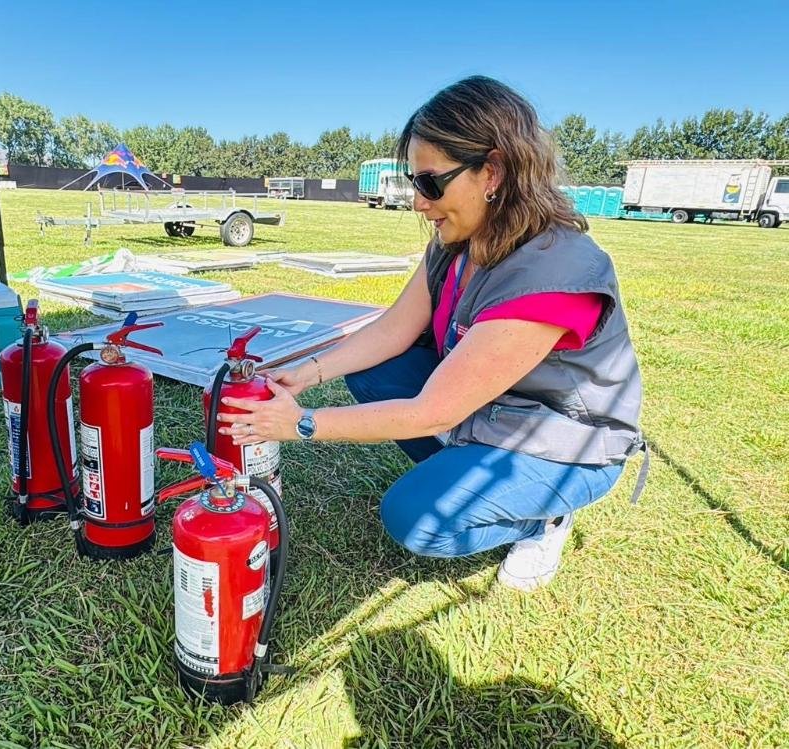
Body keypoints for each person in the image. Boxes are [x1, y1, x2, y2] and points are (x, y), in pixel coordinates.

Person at [217, 76, 647, 591]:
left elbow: (434, 412)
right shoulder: (456, 241)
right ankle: (468, 471)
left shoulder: (557, 272)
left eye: (430, 183)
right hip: (492, 410)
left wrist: (301, 424)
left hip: (566, 440)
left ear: (494, 171)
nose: (419, 203)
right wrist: (306, 374)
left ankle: (542, 518)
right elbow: (394, 329)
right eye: (413, 184)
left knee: (417, 519)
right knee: (374, 371)